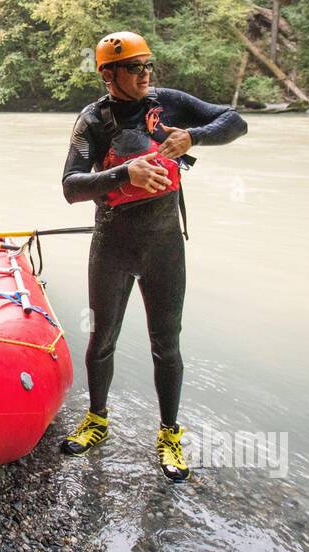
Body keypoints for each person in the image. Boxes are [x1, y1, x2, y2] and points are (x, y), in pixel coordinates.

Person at [59, 31, 247, 480]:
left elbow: (235, 121)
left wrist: (192, 138)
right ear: (108, 74)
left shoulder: (168, 103)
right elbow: (70, 187)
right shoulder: (92, 121)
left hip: (164, 244)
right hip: (112, 244)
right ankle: (97, 420)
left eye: (148, 66)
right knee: (101, 339)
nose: (145, 75)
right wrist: (125, 173)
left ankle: (168, 435)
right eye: (134, 68)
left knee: (167, 343)